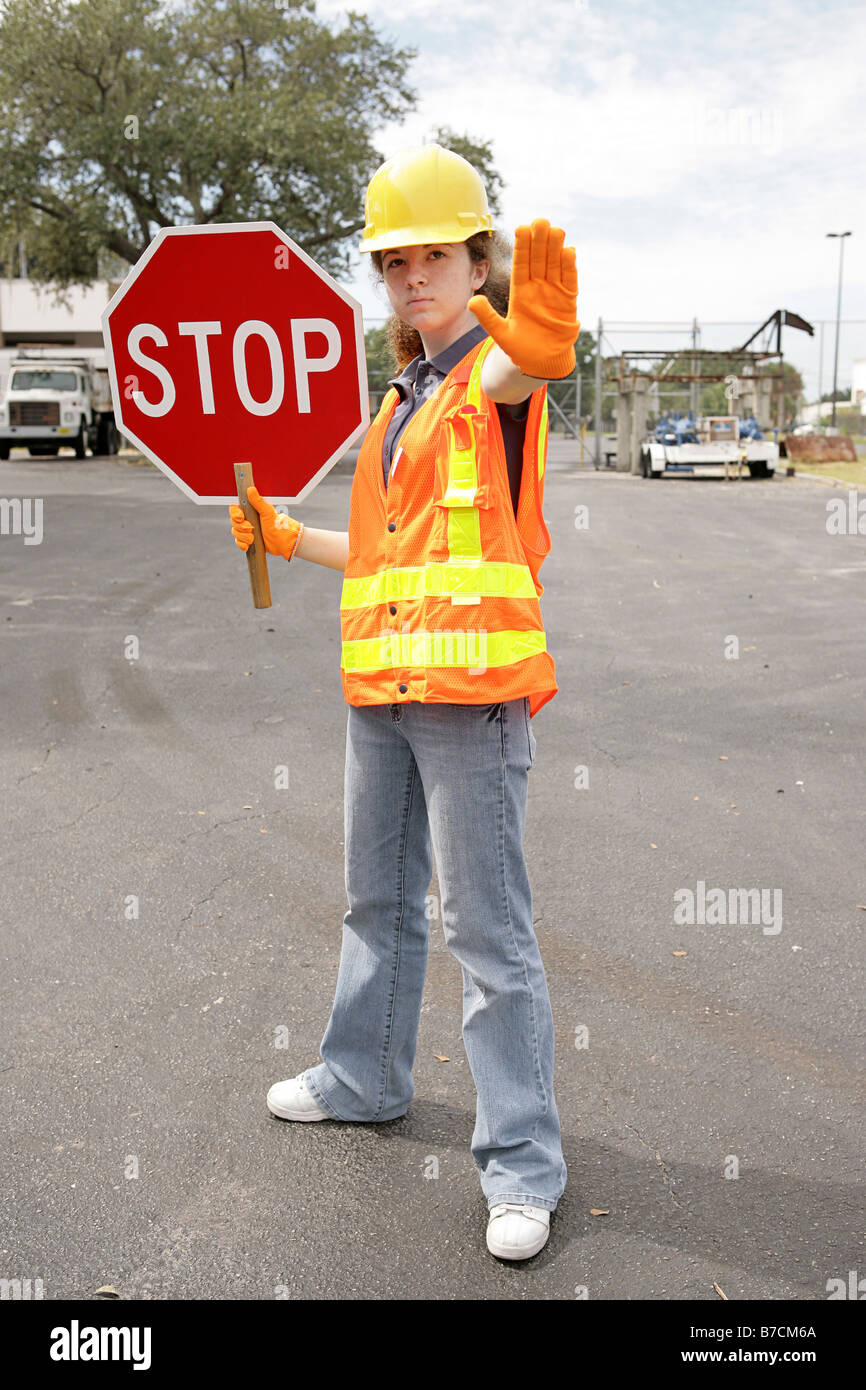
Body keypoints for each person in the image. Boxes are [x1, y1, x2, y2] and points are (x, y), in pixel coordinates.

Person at [229, 143, 580, 1261]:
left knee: (488, 933)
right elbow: (384, 555)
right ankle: (362, 1075)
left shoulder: (488, 376)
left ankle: (521, 1164)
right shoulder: (397, 402)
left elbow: (523, 375)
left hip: (470, 701)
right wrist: (289, 536)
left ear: (477, 258)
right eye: (393, 260)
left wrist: (537, 352)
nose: (412, 275)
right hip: (379, 692)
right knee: (374, 903)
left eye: (433, 253)